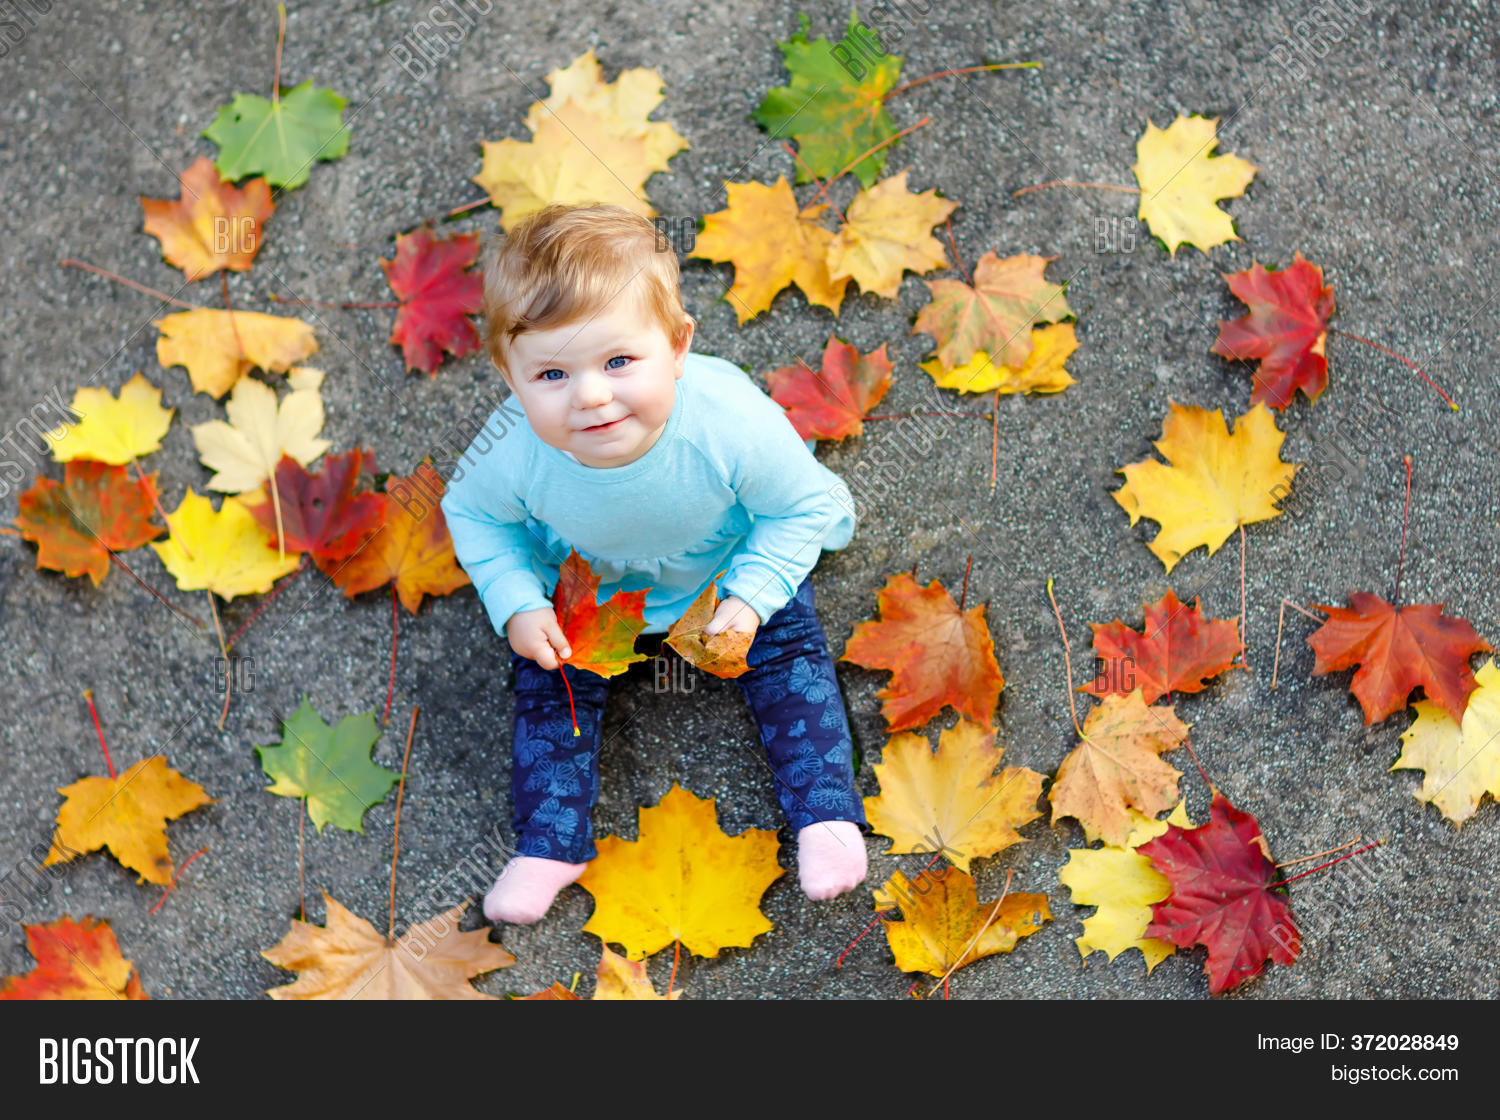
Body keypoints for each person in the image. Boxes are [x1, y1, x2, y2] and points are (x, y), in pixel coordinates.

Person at [439, 202, 869, 925]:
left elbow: (802, 508)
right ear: (509, 376)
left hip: (723, 571)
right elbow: (476, 516)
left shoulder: (729, 423)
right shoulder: (511, 449)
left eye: (618, 362)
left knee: (791, 660)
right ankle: (550, 841)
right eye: (551, 373)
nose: (591, 395)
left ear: (676, 346)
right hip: (591, 587)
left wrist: (753, 596)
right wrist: (518, 601)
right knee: (549, 686)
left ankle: (824, 813)